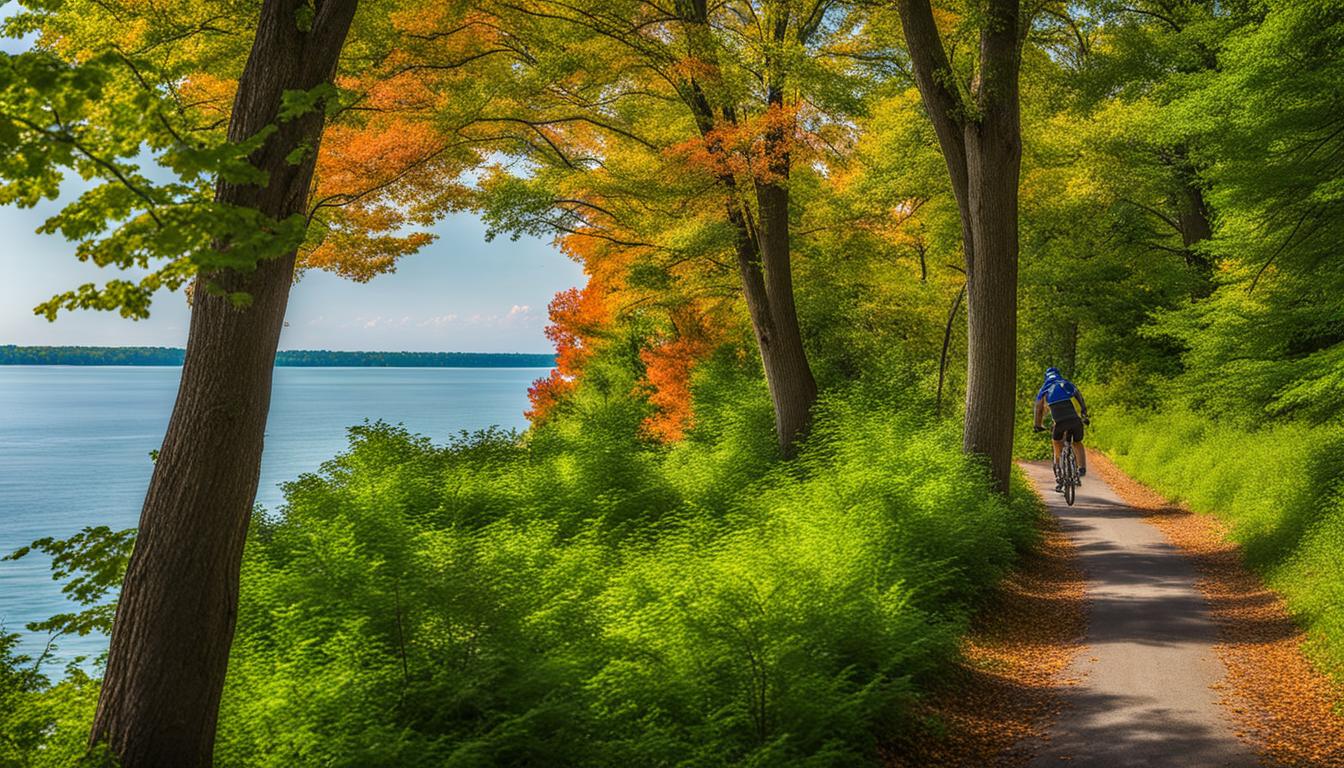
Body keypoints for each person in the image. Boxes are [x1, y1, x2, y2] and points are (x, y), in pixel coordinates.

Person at [1032, 367, 1089, 492]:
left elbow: (1038, 408)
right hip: (1075, 421)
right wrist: (1084, 414)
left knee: (1056, 443)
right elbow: (1078, 395)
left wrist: (1037, 425)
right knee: (1077, 442)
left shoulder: (1045, 388)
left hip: (1060, 423)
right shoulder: (1065, 383)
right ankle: (1081, 469)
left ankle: (1059, 476)